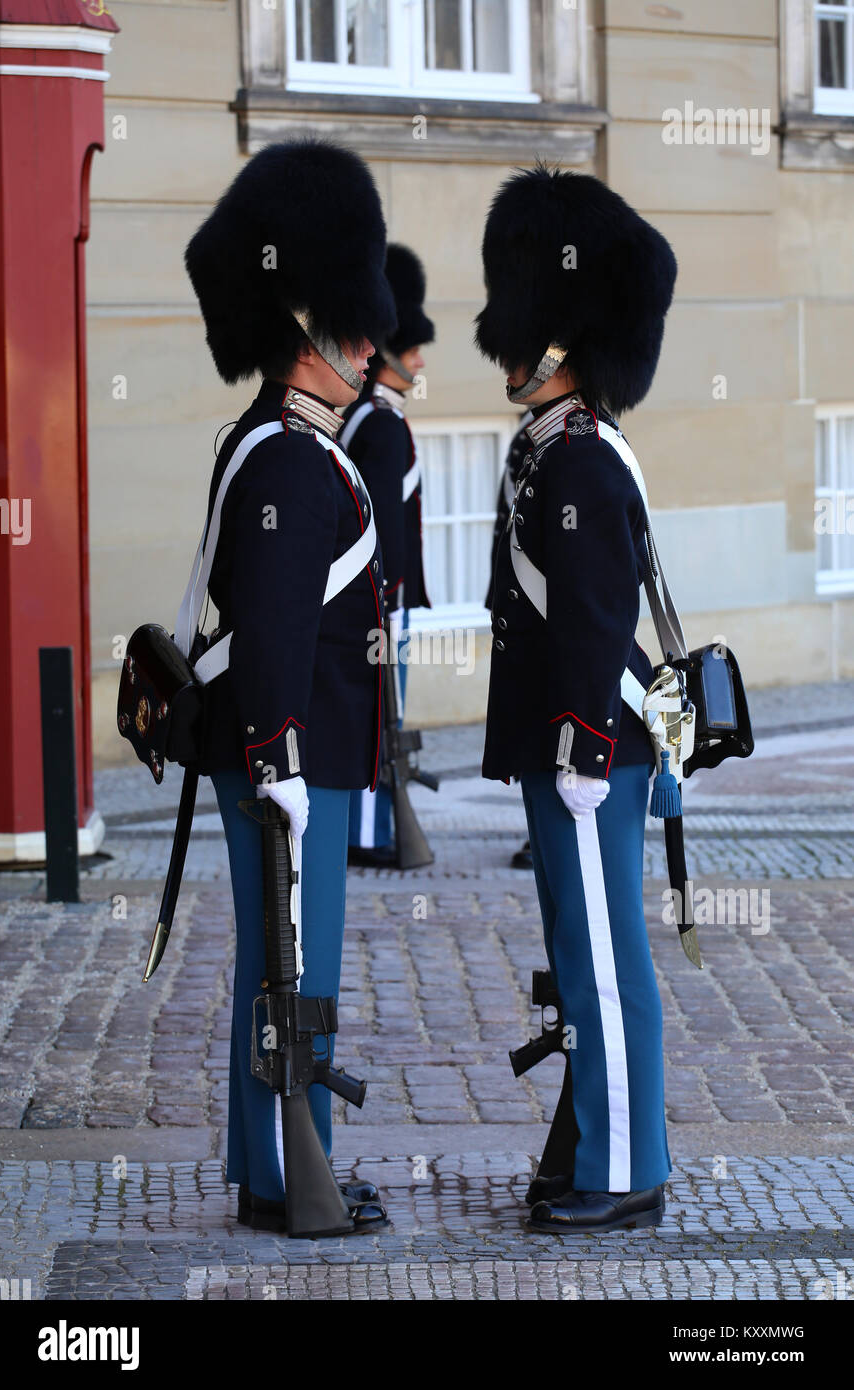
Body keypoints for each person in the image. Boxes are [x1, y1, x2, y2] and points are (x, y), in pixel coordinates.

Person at [183, 137, 396, 1232]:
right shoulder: (280, 458)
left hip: (293, 756)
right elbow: (269, 633)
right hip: (284, 761)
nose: (369, 346)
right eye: (350, 325)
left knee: (293, 962)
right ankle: (279, 1175)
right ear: (303, 331)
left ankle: (281, 1150)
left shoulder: (290, 446)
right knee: (287, 966)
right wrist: (279, 766)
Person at [477, 164, 678, 1234]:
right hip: (564, 741)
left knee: (601, 962)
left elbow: (594, 622)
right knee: (579, 953)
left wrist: (583, 753)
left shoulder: (582, 462)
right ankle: (590, 1145)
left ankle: (624, 1171)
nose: (507, 347)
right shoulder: (550, 448)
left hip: (587, 746)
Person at [338, 244, 434, 867]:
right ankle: (369, 834)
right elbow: (381, 527)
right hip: (381, 599)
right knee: (380, 720)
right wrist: (390, 598)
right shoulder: (381, 425)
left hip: (379, 597)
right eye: (412, 347)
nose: (420, 358)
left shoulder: (370, 416)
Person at [484, 412, 534, 869]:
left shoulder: (547, 430)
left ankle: (536, 830)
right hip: (518, 598)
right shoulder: (532, 429)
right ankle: (534, 827)